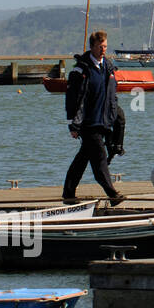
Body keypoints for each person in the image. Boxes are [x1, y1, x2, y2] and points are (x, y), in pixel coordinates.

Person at [63, 29, 125, 204]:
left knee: (83, 158)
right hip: (87, 123)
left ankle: (68, 192)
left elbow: (113, 96)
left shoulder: (109, 68)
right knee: (99, 158)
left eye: (105, 46)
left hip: (103, 121)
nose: (103, 50)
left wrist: (114, 119)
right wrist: (73, 125)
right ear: (92, 47)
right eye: (100, 47)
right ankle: (112, 194)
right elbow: (72, 100)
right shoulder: (80, 70)